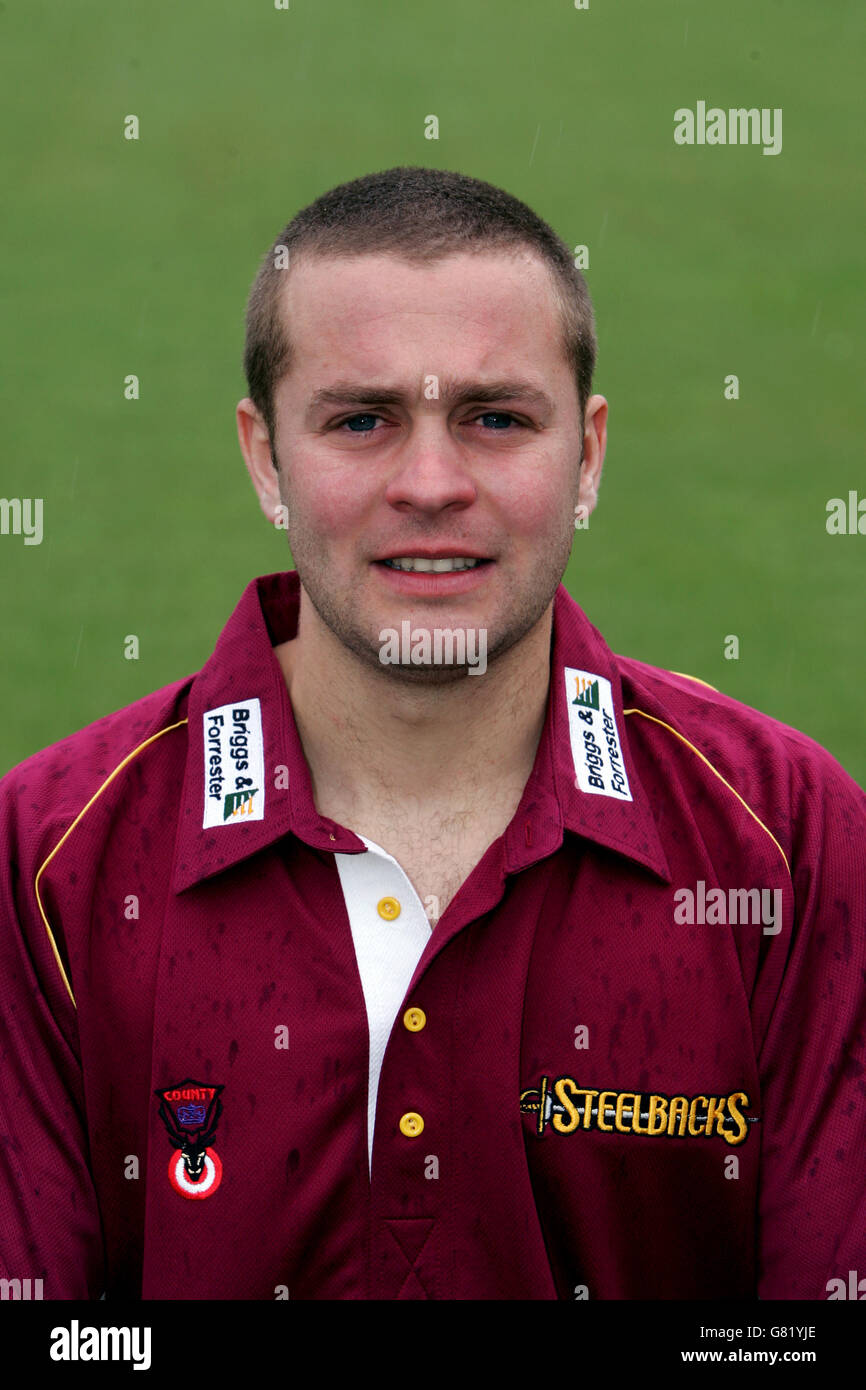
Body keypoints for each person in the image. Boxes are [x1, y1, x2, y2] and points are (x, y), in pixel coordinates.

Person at [1, 166, 864, 1301]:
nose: (429, 483)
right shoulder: (50, 853)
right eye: (361, 420)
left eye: (493, 418)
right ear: (264, 456)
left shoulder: (787, 836)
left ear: (588, 454)